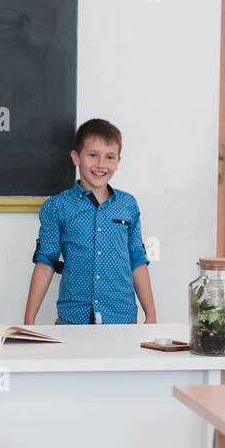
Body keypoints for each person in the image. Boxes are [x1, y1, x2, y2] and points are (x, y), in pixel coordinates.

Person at [24, 118, 156, 325]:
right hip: (73, 317)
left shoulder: (128, 205)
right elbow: (45, 261)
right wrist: (29, 319)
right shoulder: (57, 206)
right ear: (76, 157)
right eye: (93, 155)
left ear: (118, 162)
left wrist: (151, 316)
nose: (101, 164)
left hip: (121, 318)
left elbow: (137, 260)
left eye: (110, 157)